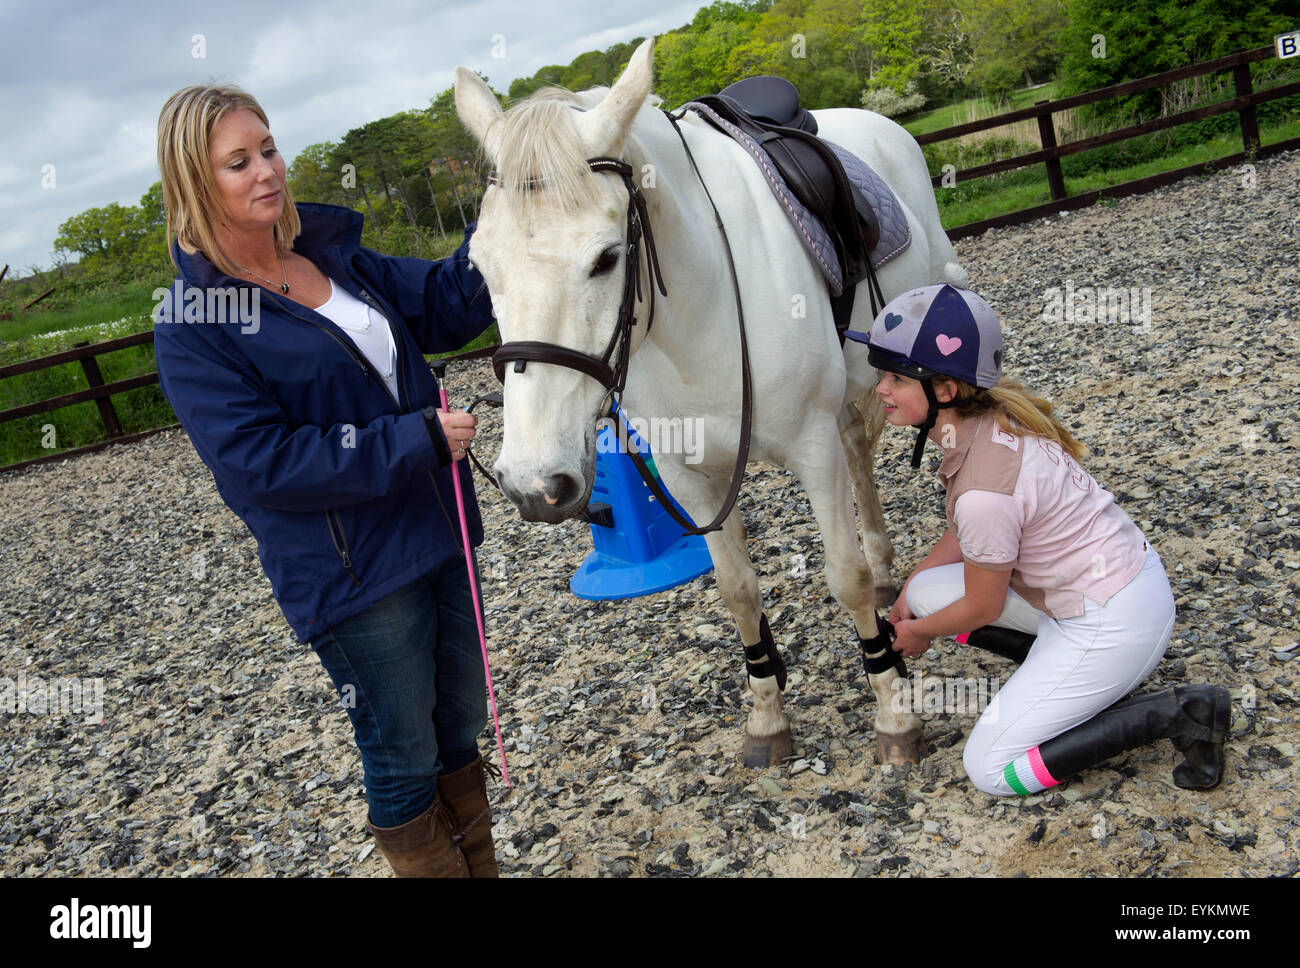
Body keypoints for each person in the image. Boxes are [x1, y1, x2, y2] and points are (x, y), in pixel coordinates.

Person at [153, 84, 500, 875]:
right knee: (402, 750)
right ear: (194, 184)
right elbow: (260, 465)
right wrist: (410, 440)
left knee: (462, 723)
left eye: (267, 149)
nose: (266, 171)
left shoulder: (334, 257)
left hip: (439, 530)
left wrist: (509, 207)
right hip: (354, 576)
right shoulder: (192, 324)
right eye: (237, 162)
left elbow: (447, 306)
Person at [846, 284, 1229, 797]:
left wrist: (921, 634)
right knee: (923, 595)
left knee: (993, 770)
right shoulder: (984, 422)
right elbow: (965, 533)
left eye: (896, 377)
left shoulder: (985, 488)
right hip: (1100, 593)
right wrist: (909, 593)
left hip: (1110, 623)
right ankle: (1063, 679)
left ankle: (1177, 712)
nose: (880, 390)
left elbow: (983, 603)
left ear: (943, 391)